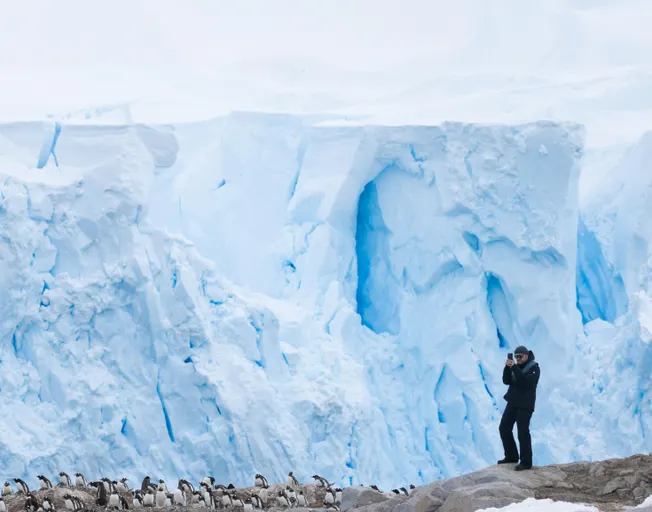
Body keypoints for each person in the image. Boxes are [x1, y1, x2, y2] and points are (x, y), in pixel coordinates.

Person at [498, 345, 540, 471]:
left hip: (525, 404)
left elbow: (526, 383)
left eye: (520, 356)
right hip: (513, 402)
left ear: (526, 355)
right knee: (504, 427)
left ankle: (526, 462)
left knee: (522, 432)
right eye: (516, 357)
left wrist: (515, 367)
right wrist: (507, 367)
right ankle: (511, 456)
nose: (518, 359)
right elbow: (506, 381)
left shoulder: (534, 368)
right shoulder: (515, 367)